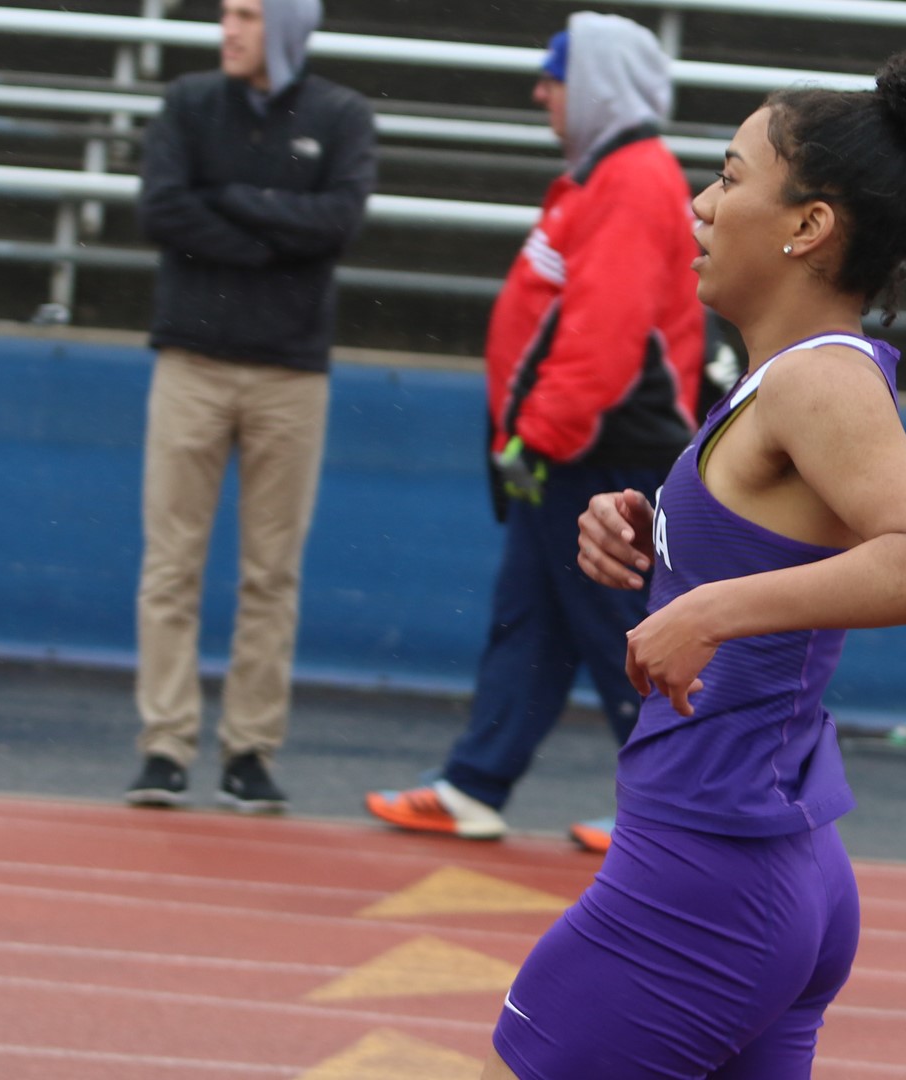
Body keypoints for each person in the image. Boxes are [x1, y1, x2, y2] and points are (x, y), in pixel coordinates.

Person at [480, 36, 906, 1080]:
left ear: (809, 227)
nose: (699, 206)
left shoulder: (819, 382)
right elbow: (771, 537)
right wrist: (646, 536)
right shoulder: (776, 382)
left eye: (726, 178)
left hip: (706, 872)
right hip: (768, 860)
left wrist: (712, 612)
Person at [364, 13, 704, 852]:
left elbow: (605, 332)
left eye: (555, 75)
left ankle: (673, 804)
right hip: (569, 443)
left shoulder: (629, 178)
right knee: (534, 621)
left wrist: (540, 433)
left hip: (600, 446)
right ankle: (476, 784)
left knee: (618, 625)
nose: (540, 90)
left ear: (592, 85)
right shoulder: (603, 177)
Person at [123, 0, 376, 813]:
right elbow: (160, 208)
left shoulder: (340, 113)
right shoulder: (189, 101)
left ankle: (248, 750)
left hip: (290, 375)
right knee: (172, 564)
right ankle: (164, 745)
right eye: (228, 14)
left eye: (245, 15)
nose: (229, 30)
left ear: (287, 26)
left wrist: (227, 201)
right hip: (190, 361)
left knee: (271, 572)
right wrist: (273, 238)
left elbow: (337, 222)